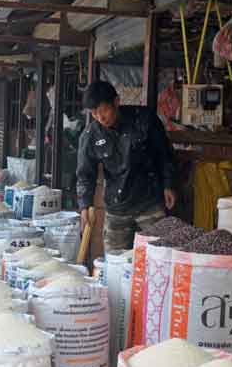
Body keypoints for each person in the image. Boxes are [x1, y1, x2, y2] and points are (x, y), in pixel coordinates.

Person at [76, 80, 178, 253]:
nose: (100, 118)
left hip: (149, 201)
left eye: (104, 110)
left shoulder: (144, 120)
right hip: (116, 207)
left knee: (158, 255)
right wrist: (84, 205)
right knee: (114, 259)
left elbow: (165, 154)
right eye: (94, 113)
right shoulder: (90, 135)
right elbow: (85, 174)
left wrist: (169, 184)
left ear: (116, 102)